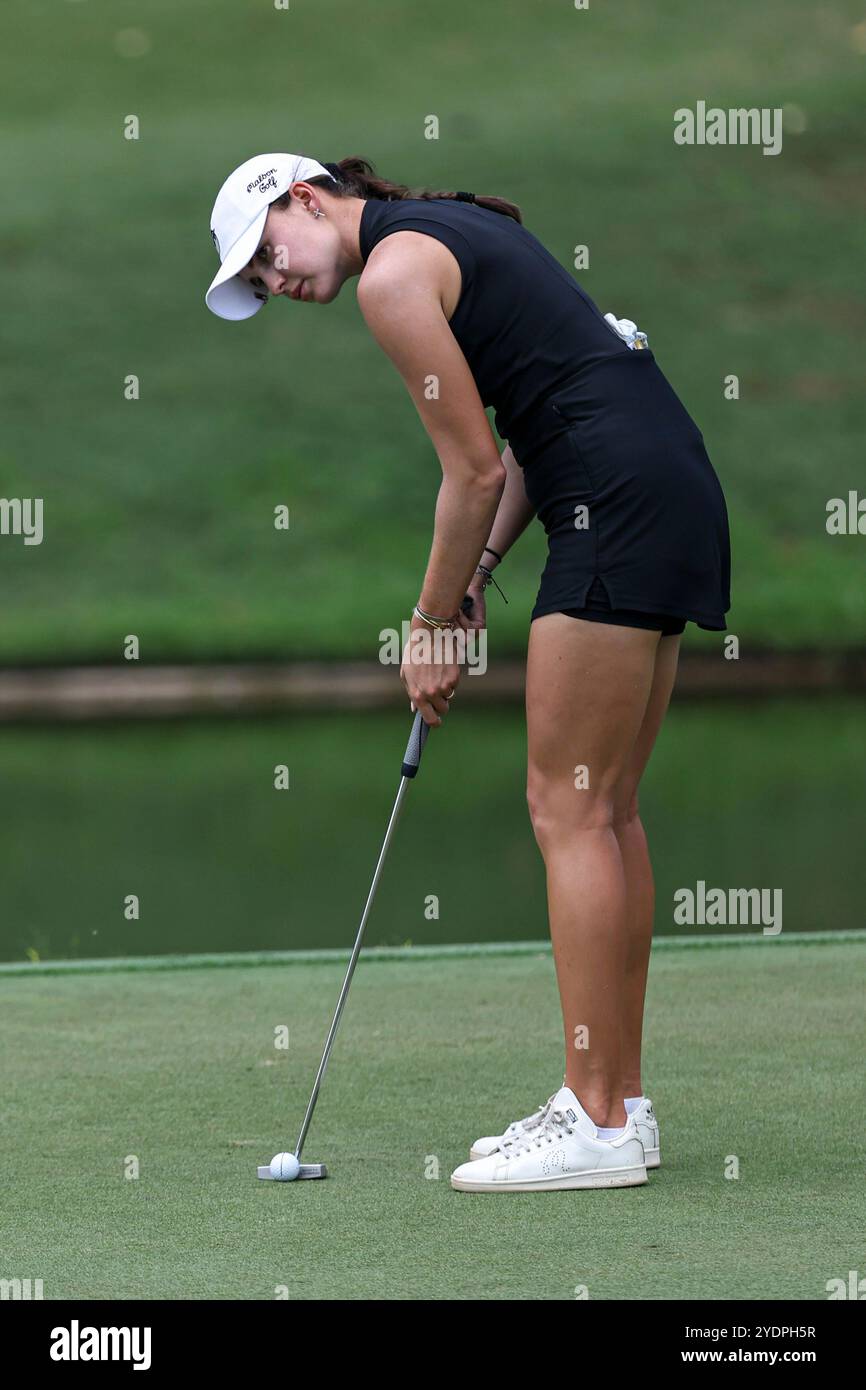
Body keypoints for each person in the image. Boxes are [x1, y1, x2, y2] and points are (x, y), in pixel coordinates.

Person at [205, 152, 731, 1194]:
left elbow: (474, 468)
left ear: (304, 198)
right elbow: (546, 413)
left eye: (265, 256)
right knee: (607, 809)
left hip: (608, 506)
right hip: (662, 484)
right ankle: (615, 1104)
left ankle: (593, 1119)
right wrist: (482, 568)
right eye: (257, 284)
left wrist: (429, 621)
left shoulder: (396, 275)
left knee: (566, 810)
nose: (275, 283)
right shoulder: (451, 228)